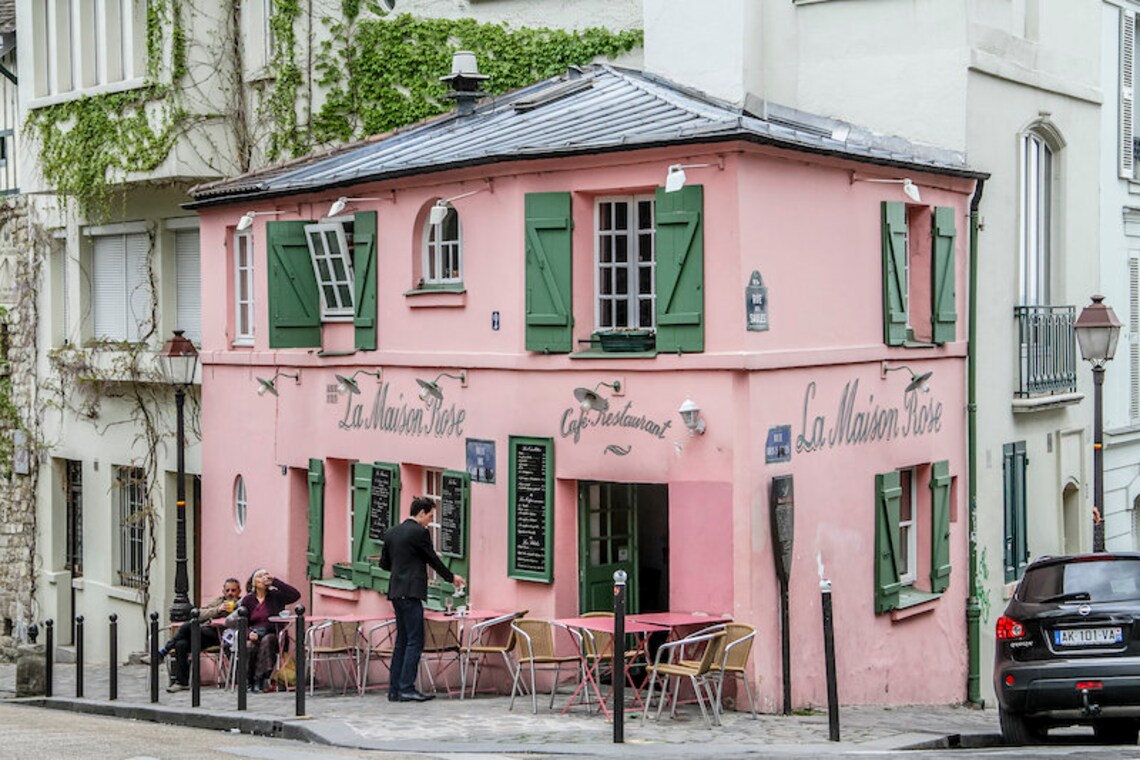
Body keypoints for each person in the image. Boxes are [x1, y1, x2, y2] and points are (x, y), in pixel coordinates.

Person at [379, 496, 466, 703]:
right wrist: (451, 577)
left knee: (402, 640)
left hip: (396, 592)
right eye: (430, 516)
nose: (430, 521)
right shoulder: (420, 533)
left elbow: (384, 564)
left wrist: (402, 566)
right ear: (421, 513)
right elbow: (432, 559)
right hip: (411, 592)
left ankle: (394, 690)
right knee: (415, 640)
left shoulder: (391, 532)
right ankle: (407, 687)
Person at [150, 577, 243, 692]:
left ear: (239, 591)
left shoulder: (241, 603)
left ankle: (163, 652)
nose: (230, 593)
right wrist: (218, 610)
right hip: (206, 634)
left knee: (188, 626)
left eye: (233, 590)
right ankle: (182, 682)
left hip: (224, 637)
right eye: (227, 590)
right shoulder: (219, 601)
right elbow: (199, 613)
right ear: (223, 591)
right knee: (181, 644)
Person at [234, 568, 301, 693]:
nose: (264, 578)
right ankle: (249, 681)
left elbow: (295, 595)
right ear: (254, 582)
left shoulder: (275, 596)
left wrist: (275, 581)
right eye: (260, 576)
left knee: (267, 641)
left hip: (274, 634)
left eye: (266, 575)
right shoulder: (248, 600)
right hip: (255, 633)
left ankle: (260, 679)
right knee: (250, 646)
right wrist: (249, 633)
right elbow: (242, 622)